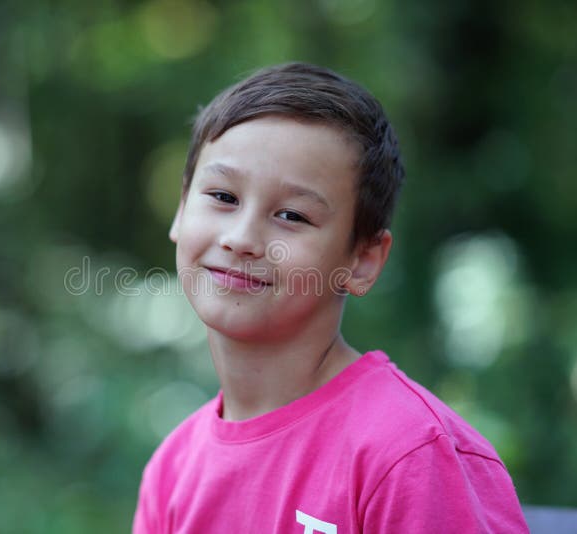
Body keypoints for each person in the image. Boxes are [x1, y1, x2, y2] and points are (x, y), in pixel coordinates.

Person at [133, 62, 528, 533]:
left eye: (292, 216)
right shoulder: (172, 471)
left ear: (362, 261)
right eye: (223, 196)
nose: (241, 239)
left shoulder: (408, 455)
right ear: (181, 210)